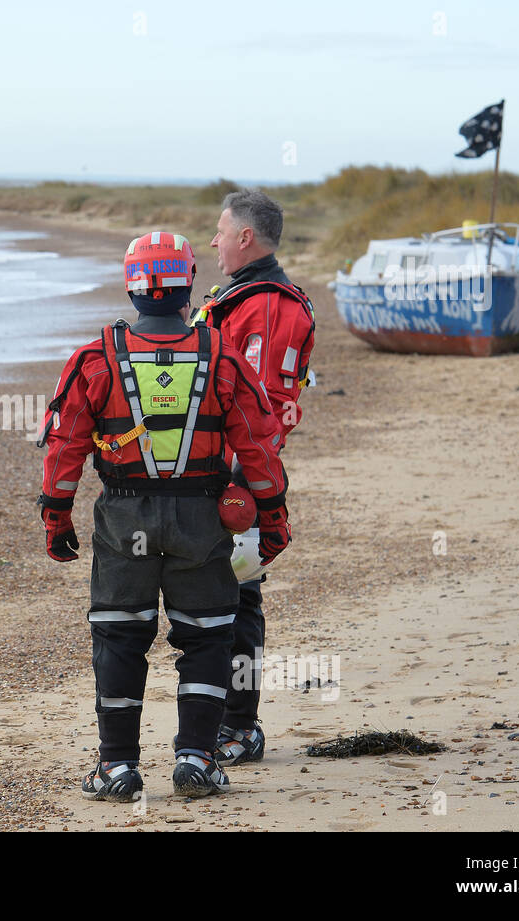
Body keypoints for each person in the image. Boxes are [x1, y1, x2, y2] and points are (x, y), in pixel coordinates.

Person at [36, 230, 292, 801]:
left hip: (123, 519)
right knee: (205, 639)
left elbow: (64, 446)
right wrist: (272, 518)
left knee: (120, 639)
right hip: (203, 517)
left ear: (132, 289)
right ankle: (197, 759)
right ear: (189, 285)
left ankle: (117, 768)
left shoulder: (94, 359)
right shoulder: (221, 355)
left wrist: (57, 518)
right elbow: (258, 447)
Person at [199, 189, 315, 769]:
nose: (213, 241)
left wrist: (244, 489)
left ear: (246, 237)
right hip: (218, 473)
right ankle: (220, 722)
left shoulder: (267, 306)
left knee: (238, 601)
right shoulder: (242, 298)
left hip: (235, 482)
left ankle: (240, 727)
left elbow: (260, 410)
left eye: (220, 232)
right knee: (214, 601)